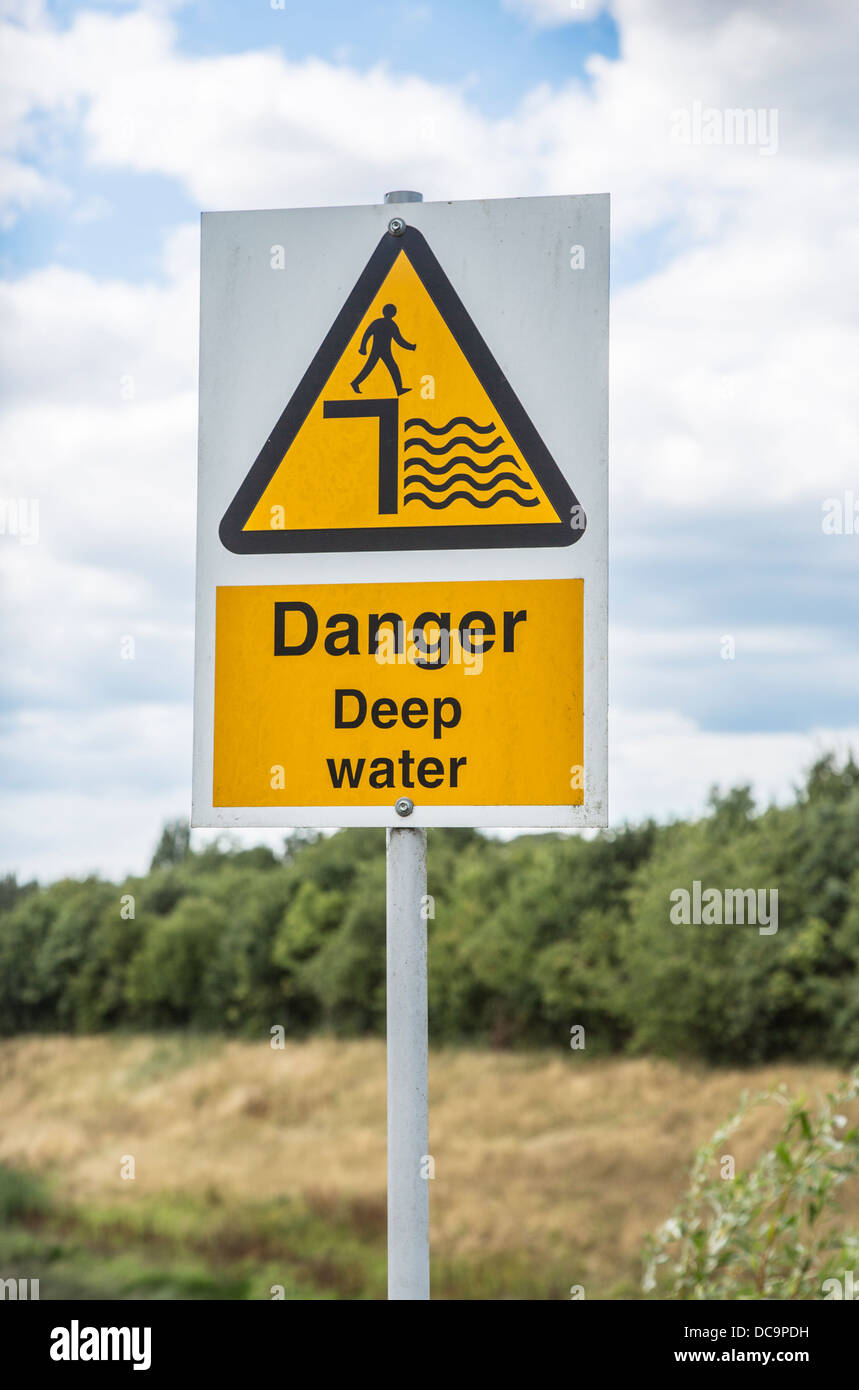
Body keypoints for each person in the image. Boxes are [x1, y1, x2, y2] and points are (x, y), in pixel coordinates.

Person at [351, 303, 416, 395]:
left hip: (383, 351)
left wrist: (363, 348)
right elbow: (399, 340)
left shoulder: (379, 322)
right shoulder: (390, 324)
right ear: (392, 313)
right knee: (373, 368)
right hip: (379, 350)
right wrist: (411, 347)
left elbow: (367, 334)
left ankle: (399, 389)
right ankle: (355, 383)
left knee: (390, 367)